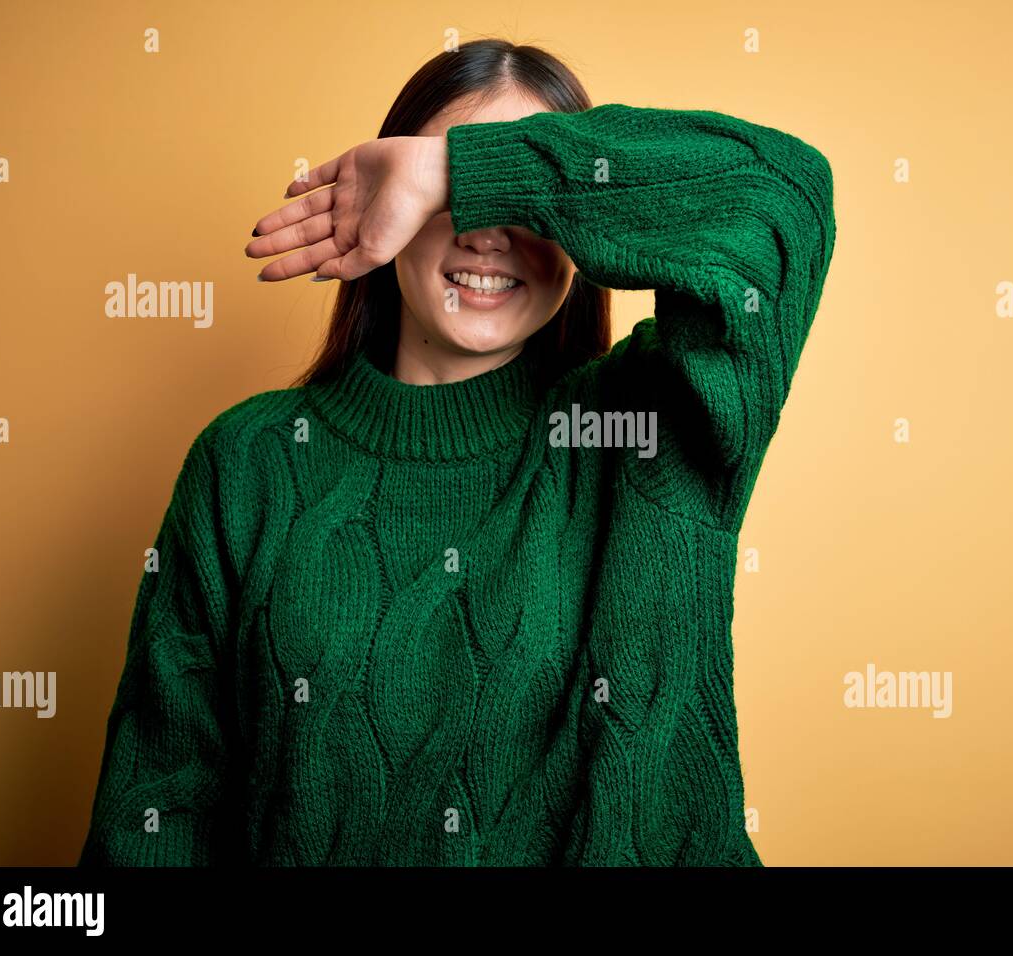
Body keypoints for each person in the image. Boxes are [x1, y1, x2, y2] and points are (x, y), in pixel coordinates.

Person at [77, 37, 836, 866]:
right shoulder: (249, 463)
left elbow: (784, 197)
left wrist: (462, 174)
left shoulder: (651, 427)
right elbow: (156, 810)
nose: (491, 234)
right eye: (449, 195)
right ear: (381, 215)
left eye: (528, 201)